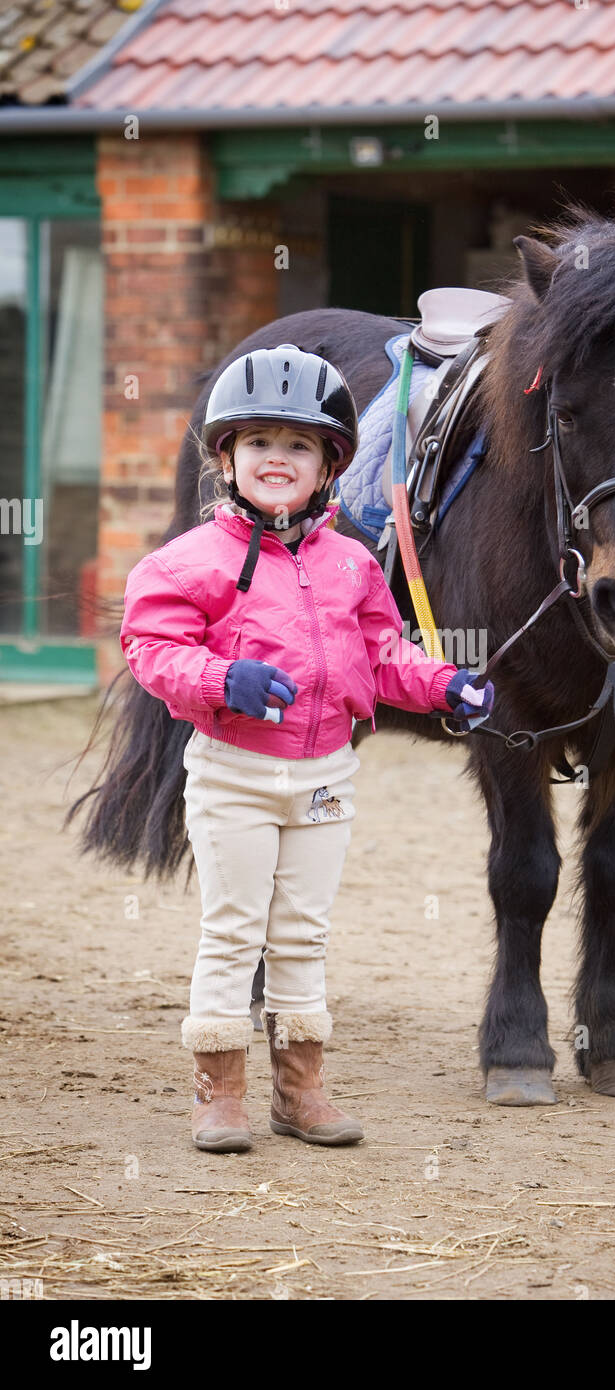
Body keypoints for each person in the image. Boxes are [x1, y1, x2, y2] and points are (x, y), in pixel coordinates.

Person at [119, 342, 495, 1153]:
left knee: (303, 931)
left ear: (331, 466)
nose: (277, 459)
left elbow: (384, 657)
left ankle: (301, 1088)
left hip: (326, 776)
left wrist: (442, 686)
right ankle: (218, 1091)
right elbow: (152, 649)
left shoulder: (355, 565)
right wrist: (223, 680)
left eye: (298, 445)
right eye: (258, 443)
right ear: (226, 456)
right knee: (233, 928)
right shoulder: (185, 563)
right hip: (234, 773)